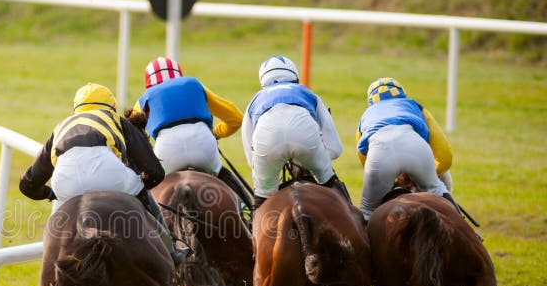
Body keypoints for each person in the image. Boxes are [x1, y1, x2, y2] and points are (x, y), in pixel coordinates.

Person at [19, 82, 189, 264]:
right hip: (109, 177)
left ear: (76, 109)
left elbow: (27, 185)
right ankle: (171, 250)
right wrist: (140, 189)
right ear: (112, 106)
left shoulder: (61, 127)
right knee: (142, 189)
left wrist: (51, 194)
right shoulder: (116, 120)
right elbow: (154, 171)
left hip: (64, 185)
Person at [132, 56, 253, 219]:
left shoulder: (145, 97)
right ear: (179, 75)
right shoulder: (194, 85)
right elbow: (236, 118)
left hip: (167, 152)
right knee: (223, 176)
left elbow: (131, 137)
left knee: (144, 192)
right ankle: (248, 214)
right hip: (202, 145)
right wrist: (215, 133)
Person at [241, 55, 350, 210]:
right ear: (295, 77)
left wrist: (266, 167)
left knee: (261, 199)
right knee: (330, 183)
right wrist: (318, 160)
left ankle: (255, 222)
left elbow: (250, 153)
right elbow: (335, 149)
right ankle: (352, 217)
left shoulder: (255, 100)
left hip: (267, 143)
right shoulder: (307, 93)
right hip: (306, 140)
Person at [356, 77, 457, 220]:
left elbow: (362, 155)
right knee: (437, 189)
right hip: (416, 149)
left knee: (367, 208)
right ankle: (463, 226)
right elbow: (444, 152)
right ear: (401, 92)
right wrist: (431, 172)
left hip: (380, 155)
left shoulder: (366, 115)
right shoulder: (414, 105)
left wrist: (386, 178)